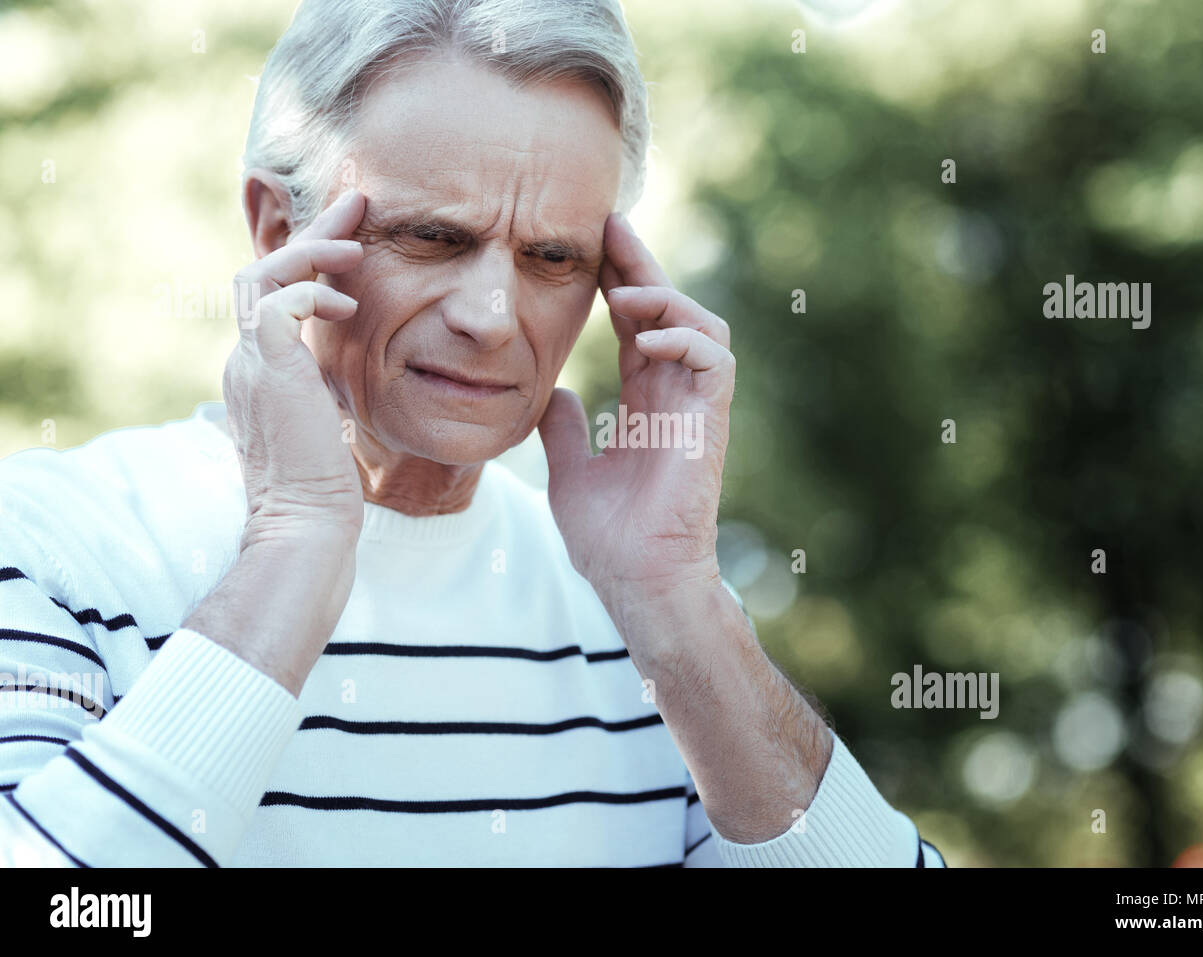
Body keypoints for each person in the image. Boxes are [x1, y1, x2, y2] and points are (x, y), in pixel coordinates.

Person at [0, 0, 944, 867]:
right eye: (432, 238)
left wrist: (676, 601)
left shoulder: (654, 635)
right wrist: (295, 545)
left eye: (553, 257)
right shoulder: (53, 543)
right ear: (275, 226)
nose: (493, 316)